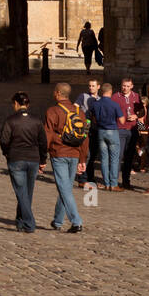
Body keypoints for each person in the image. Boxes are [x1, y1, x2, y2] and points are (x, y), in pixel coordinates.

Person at [0, 91, 47, 234]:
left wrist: (7, 153)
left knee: (21, 192)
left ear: (16, 104)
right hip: (33, 159)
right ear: (28, 104)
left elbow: (4, 141)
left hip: (16, 158)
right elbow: (43, 142)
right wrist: (43, 159)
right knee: (27, 192)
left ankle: (29, 222)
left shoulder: (11, 120)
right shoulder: (37, 121)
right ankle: (20, 222)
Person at [44, 83, 89, 232]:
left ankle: (76, 221)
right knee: (66, 188)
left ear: (57, 93)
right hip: (75, 153)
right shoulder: (80, 112)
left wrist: (42, 157)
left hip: (59, 153)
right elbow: (84, 137)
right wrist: (83, 159)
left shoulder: (53, 111)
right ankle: (57, 221)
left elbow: (48, 135)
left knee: (64, 189)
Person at [89, 83, 125, 190]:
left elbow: (94, 119)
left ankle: (106, 183)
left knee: (104, 158)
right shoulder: (114, 104)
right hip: (112, 131)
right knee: (114, 158)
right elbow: (122, 121)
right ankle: (113, 184)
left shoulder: (96, 104)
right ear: (110, 92)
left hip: (101, 131)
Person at [112, 77, 142, 190]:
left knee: (129, 157)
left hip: (133, 129)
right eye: (124, 86)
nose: (125, 88)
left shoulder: (136, 96)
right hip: (120, 129)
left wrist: (136, 116)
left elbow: (141, 111)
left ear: (132, 86)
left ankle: (126, 181)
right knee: (118, 156)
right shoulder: (115, 97)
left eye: (128, 86)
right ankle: (114, 181)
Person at [75, 77, 101, 186]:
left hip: (96, 128)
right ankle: (83, 178)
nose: (91, 88)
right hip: (86, 125)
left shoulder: (100, 99)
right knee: (86, 153)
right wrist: (80, 119)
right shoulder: (83, 96)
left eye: (93, 86)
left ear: (98, 87)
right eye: (89, 86)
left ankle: (90, 177)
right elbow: (75, 107)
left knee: (93, 153)